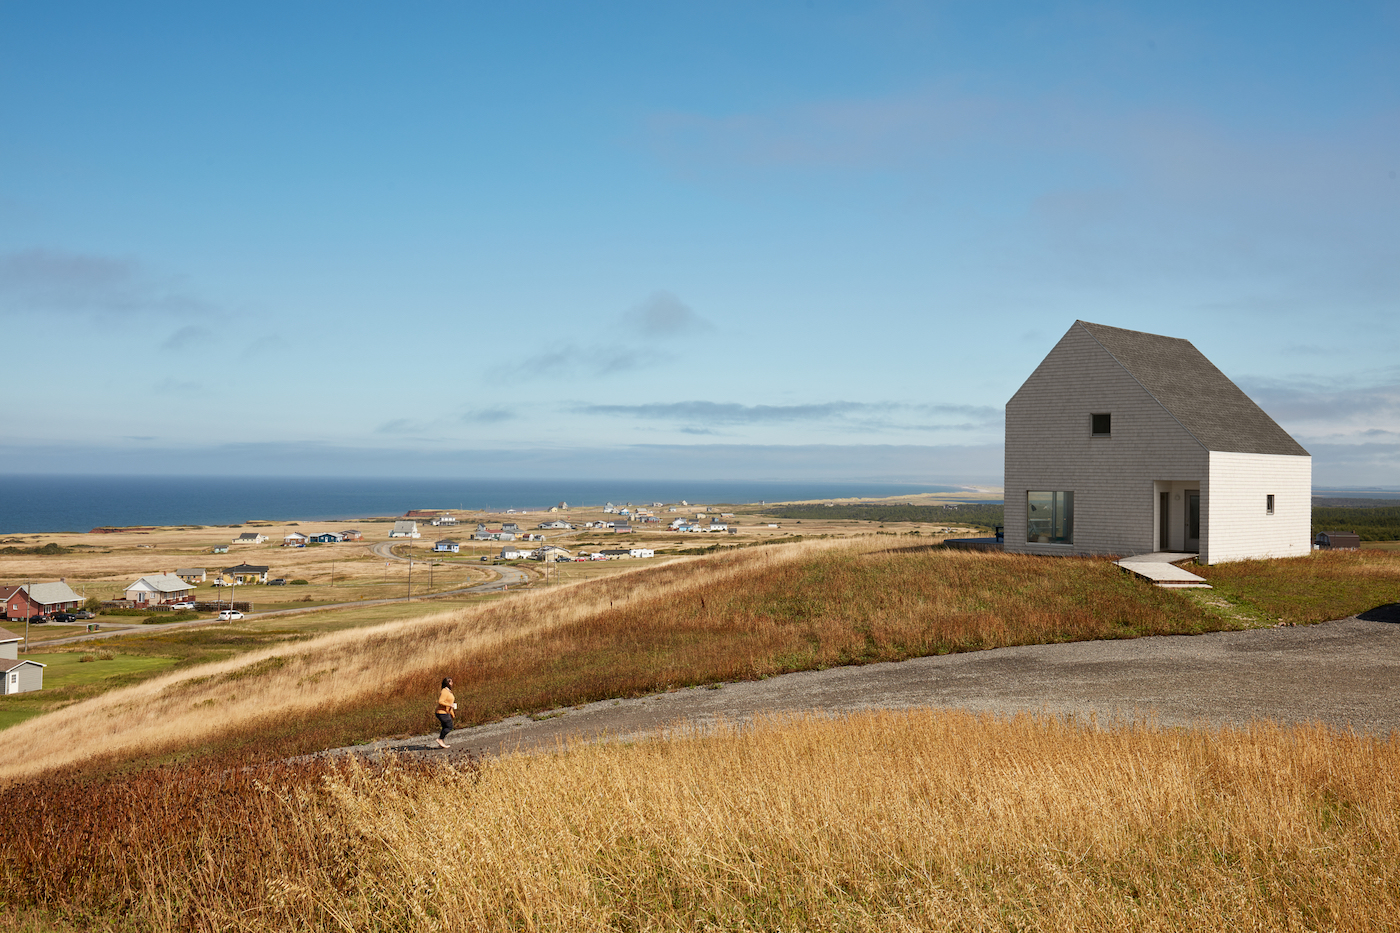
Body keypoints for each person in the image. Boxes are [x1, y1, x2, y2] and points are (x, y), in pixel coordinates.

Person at [435, 677, 456, 748]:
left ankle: (441, 742)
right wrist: (449, 705)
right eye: (451, 682)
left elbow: (450, 703)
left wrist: (452, 713)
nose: (452, 683)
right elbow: (440, 701)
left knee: (445, 727)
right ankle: (440, 739)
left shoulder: (448, 691)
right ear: (447, 683)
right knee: (449, 726)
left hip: (446, 712)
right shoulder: (444, 691)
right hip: (441, 712)